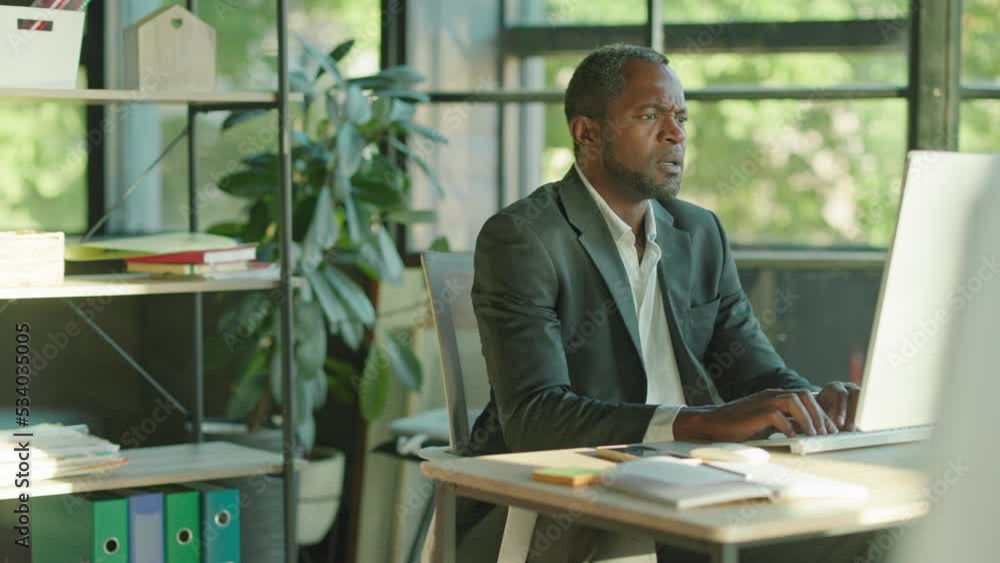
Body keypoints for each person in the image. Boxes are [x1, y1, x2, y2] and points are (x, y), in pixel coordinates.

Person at [461, 44, 867, 562]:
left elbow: (756, 374)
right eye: (649, 115)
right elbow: (537, 419)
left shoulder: (699, 234)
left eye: (680, 117)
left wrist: (813, 404)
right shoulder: (524, 238)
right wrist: (700, 422)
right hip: (571, 506)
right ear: (587, 133)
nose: (674, 133)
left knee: (863, 535)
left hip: (697, 486)